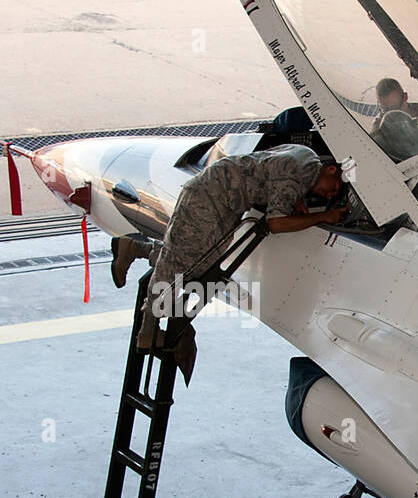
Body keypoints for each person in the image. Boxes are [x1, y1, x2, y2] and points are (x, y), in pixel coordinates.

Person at [110, 143, 345, 379]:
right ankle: (147, 331)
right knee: (178, 267)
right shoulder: (297, 177)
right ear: (331, 170)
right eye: (334, 188)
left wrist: (295, 199)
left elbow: (270, 168)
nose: (331, 194)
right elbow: (276, 223)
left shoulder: (306, 156)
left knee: (194, 262)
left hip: (217, 194)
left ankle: (135, 248)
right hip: (210, 200)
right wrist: (324, 216)